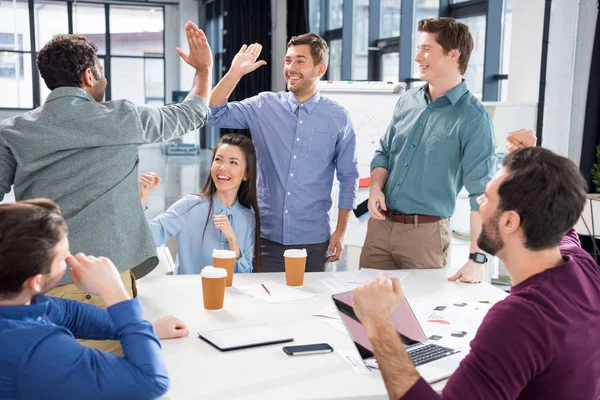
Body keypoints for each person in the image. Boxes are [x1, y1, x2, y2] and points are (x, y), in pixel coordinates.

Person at [0, 22, 212, 352]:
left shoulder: (13, 131)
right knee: (107, 378)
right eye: (101, 71)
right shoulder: (122, 117)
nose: (104, 79)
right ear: (88, 76)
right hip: (103, 284)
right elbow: (191, 114)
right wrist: (203, 69)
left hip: (39, 283)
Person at [352, 146, 600, 399]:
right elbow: (563, 224)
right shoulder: (583, 266)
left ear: (509, 222)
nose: (479, 205)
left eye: (486, 198)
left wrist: (379, 325)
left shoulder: (521, 319)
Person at [0, 199, 189, 399]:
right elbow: (151, 381)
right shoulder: (37, 352)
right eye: (64, 258)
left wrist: (145, 328)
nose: (72, 260)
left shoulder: (17, 301)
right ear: (36, 282)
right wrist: (114, 291)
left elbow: (70, 314)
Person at [207, 33, 359, 272]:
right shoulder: (263, 106)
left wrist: (340, 232)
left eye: (300, 61)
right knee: (263, 304)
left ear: (320, 68)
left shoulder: (339, 118)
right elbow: (214, 113)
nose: (291, 68)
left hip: (313, 241)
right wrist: (235, 72)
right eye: (288, 61)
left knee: (310, 307)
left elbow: (349, 177)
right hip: (265, 236)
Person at [361, 17, 495, 282]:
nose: (417, 57)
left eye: (426, 49)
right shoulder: (408, 99)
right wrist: (376, 187)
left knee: (421, 316)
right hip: (379, 229)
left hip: (425, 235)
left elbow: (481, 196)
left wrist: (476, 258)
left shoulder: (473, 118)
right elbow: (384, 152)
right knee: (364, 309)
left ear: (453, 53)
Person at [139, 134, 260, 274]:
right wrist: (143, 198)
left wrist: (232, 240)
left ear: (246, 174)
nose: (223, 167)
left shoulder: (248, 218)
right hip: (189, 294)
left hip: (229, 295)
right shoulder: (189, 205)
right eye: (218, 159)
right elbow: (147, 240)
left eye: (233, 162)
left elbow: (245, 275)